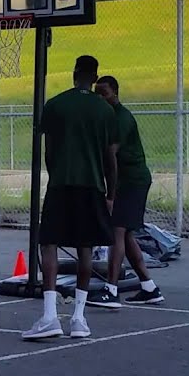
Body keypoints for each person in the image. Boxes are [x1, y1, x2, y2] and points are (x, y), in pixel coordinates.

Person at [23, 55, 118, 341]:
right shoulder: (104, 111)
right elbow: (110, 157)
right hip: (92, 185)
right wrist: (110, 193)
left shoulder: (55, 105)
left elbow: (48, 151)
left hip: (61, 183)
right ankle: (79, 317)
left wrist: (57, 174)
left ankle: (50, 315)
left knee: (49, 243)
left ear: (74, 73)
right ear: (95, 76)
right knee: (85, 246)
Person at [88, 75, 165, 308]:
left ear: (116, 94)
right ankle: (149, 287)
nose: (101, 98)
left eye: (105, 94)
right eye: (97, 94)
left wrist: (110, 194)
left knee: (117, 231)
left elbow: (110, 155)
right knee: (126, 234)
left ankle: (111, 291)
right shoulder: (107, 118)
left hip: (132, 181)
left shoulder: (121, 118)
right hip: (125, 181)